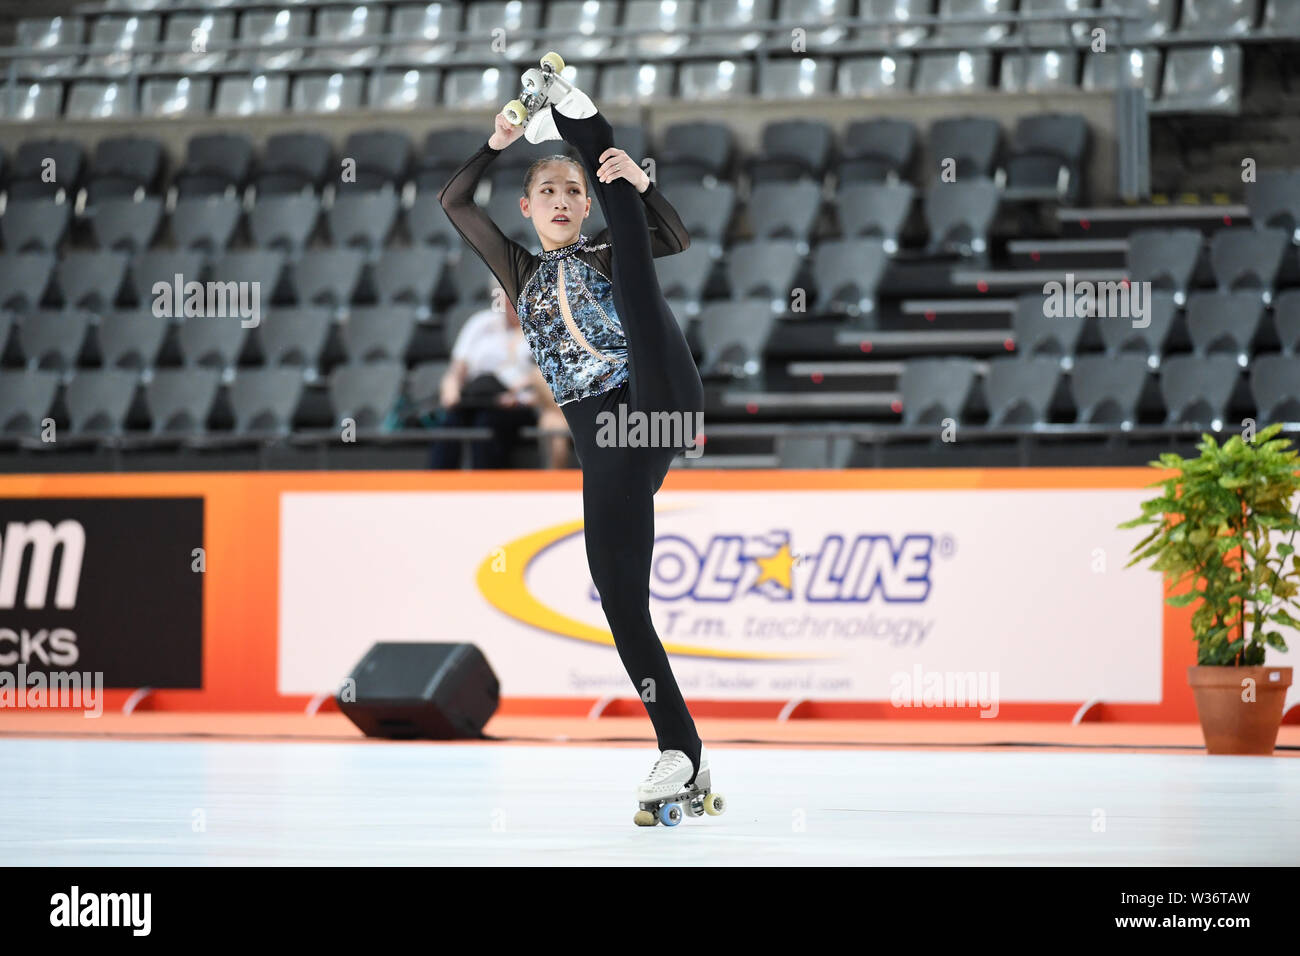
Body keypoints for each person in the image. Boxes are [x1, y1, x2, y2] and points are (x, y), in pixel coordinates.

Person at [438, 86, 713, 812]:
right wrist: (499, 139)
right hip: (608, 447)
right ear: (526, 208)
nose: (561, 199)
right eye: (547, 190)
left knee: (635, 271)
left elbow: (675, 238)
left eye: (574, 189)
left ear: (586, 203)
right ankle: (681, 749)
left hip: (656, 395)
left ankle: (588, 122)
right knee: (622, 602)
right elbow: (457, 203)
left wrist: (637, 181)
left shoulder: (603, 242)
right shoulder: (519, 272)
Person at [432, 281, 570, 469]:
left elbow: (551, 383)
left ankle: (486, 486)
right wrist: (451, 392)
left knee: (488, 423)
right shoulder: (480, 323)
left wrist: (523, 397)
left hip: (520, 404)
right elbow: (456, 371)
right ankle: (437, 484)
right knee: (452, 421)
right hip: (478, 398)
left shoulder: (545, 329)